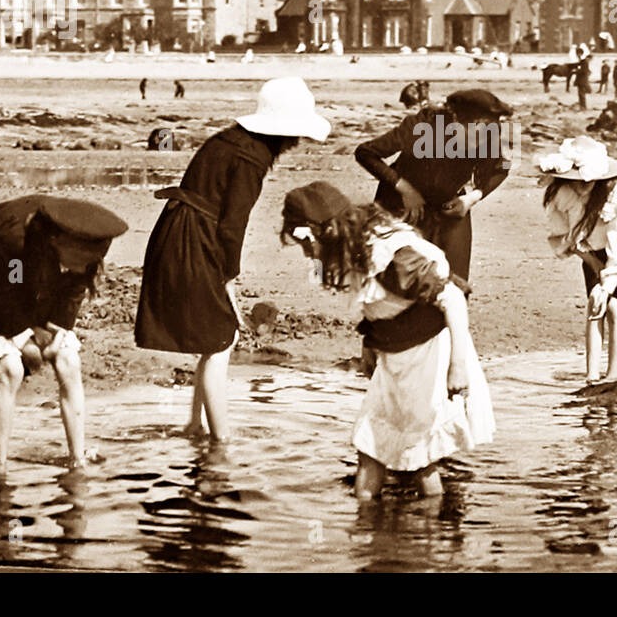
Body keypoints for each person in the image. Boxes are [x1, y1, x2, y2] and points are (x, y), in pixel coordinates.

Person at [135, 78, 330, 443]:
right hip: (195, 241)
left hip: (179, 231)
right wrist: (229, 275)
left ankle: (194, 425)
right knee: (221, 341)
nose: (298, 142)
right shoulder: (250, 158)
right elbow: (233, 224)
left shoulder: (229, 139)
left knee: (214, 337)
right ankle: (222, 441)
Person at [280, 181, 493, 500]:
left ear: (320, 233)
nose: (308, 254)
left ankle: (429, 537)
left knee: (419, 457)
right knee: (371, 443)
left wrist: (457, 367)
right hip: (395, 350)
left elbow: (453, 298)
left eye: (305, 245)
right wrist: (369, 347)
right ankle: (367, 529)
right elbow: (378, 303)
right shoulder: (357, 246)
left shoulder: (394, 258)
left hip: (428, 352)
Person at [0, 195, 128, 478]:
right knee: (11, 367)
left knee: (69, 361)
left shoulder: (83, 251)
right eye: (80, 261)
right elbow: (4, 291)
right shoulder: (13, 242)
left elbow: (74, 290)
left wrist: (55, 330)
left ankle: (76, 459)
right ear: (59, 241)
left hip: (29, 271)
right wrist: (23, 339)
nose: (82, 268)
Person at [538, 137, 617, 383]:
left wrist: (607, 284)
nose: (582, 185)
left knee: (616, 306)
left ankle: (612, 375)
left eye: (588, 180)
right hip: (592, 245)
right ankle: (592, 375)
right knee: (595, 305)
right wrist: (594, 265)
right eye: (575, 181)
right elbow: (565, 238)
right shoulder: (561, 194)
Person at [355, 88, 513, 282]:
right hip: (400, 205)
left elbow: (502, 167)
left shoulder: (489, 133)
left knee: (455, 283)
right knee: (393, 283)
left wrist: (471, 198)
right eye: (476, 130)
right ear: (455, 122)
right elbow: (365, 153)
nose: (482, 140)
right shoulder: (420, 126)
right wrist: (404, 188)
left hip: (448, 204)